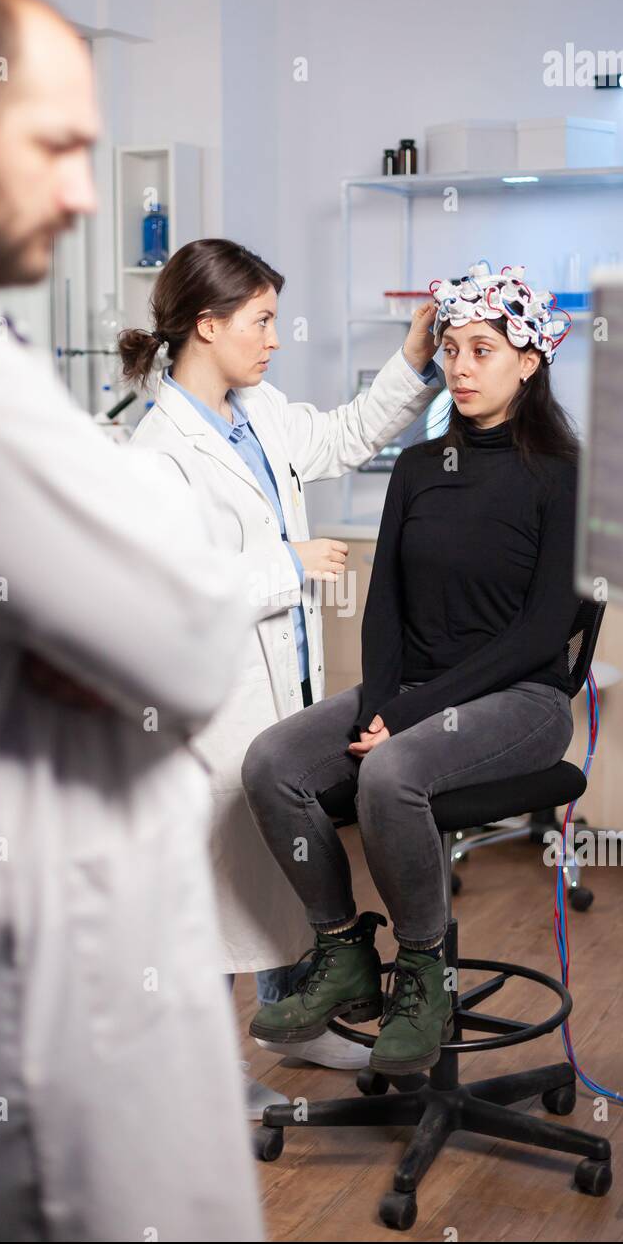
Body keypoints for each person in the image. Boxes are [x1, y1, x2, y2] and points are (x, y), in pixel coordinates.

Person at [0, 0, 273, 1241]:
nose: (89, 193)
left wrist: (114, 606)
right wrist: (127, 611)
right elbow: (190, 635)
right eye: (59, 147)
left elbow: (161, 609)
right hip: (34, 1004)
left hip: (60, 958)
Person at [121, 240, 443, 1112]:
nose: (273, 338)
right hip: (210, 707)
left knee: (280, 870)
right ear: (207, 323)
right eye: (260, 321)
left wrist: (415, 358)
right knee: (215, 893)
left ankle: (302, 1028)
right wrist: (286, 561)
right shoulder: (160, 452)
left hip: (278, 687)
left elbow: (341, 435)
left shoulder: (253, 411)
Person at [241, 261, 581, 1076]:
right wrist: (380, 703)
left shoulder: (563, 476)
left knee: (390, 774)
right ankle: (342, 946)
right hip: (416, 692)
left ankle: (424, 972)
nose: (461, 368)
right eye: (453, 350)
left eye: (485, 351)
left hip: (521, 698)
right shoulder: (422, 467)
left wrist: (412, 715)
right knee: (272, 763)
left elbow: (541, 633)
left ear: (529, 362)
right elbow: (385, 605)